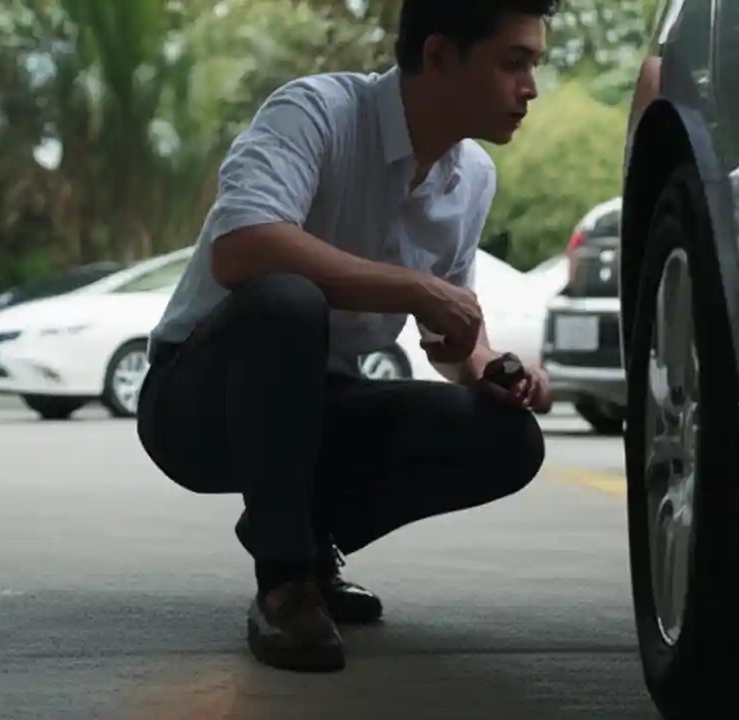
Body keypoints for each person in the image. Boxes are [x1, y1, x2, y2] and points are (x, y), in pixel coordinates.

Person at [136, 0, 559, 673]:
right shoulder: (318, 113)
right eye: (514, 63)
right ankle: (283, 585)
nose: (530, 88)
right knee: (284, 300)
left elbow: (446, 338)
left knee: (508, 441)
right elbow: (242, 248)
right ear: (440, 55)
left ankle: (302, 539)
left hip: (321, 405)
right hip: (200, 405)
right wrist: (415, 287)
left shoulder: (471, 177)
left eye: (534, 65)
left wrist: (489, 368)